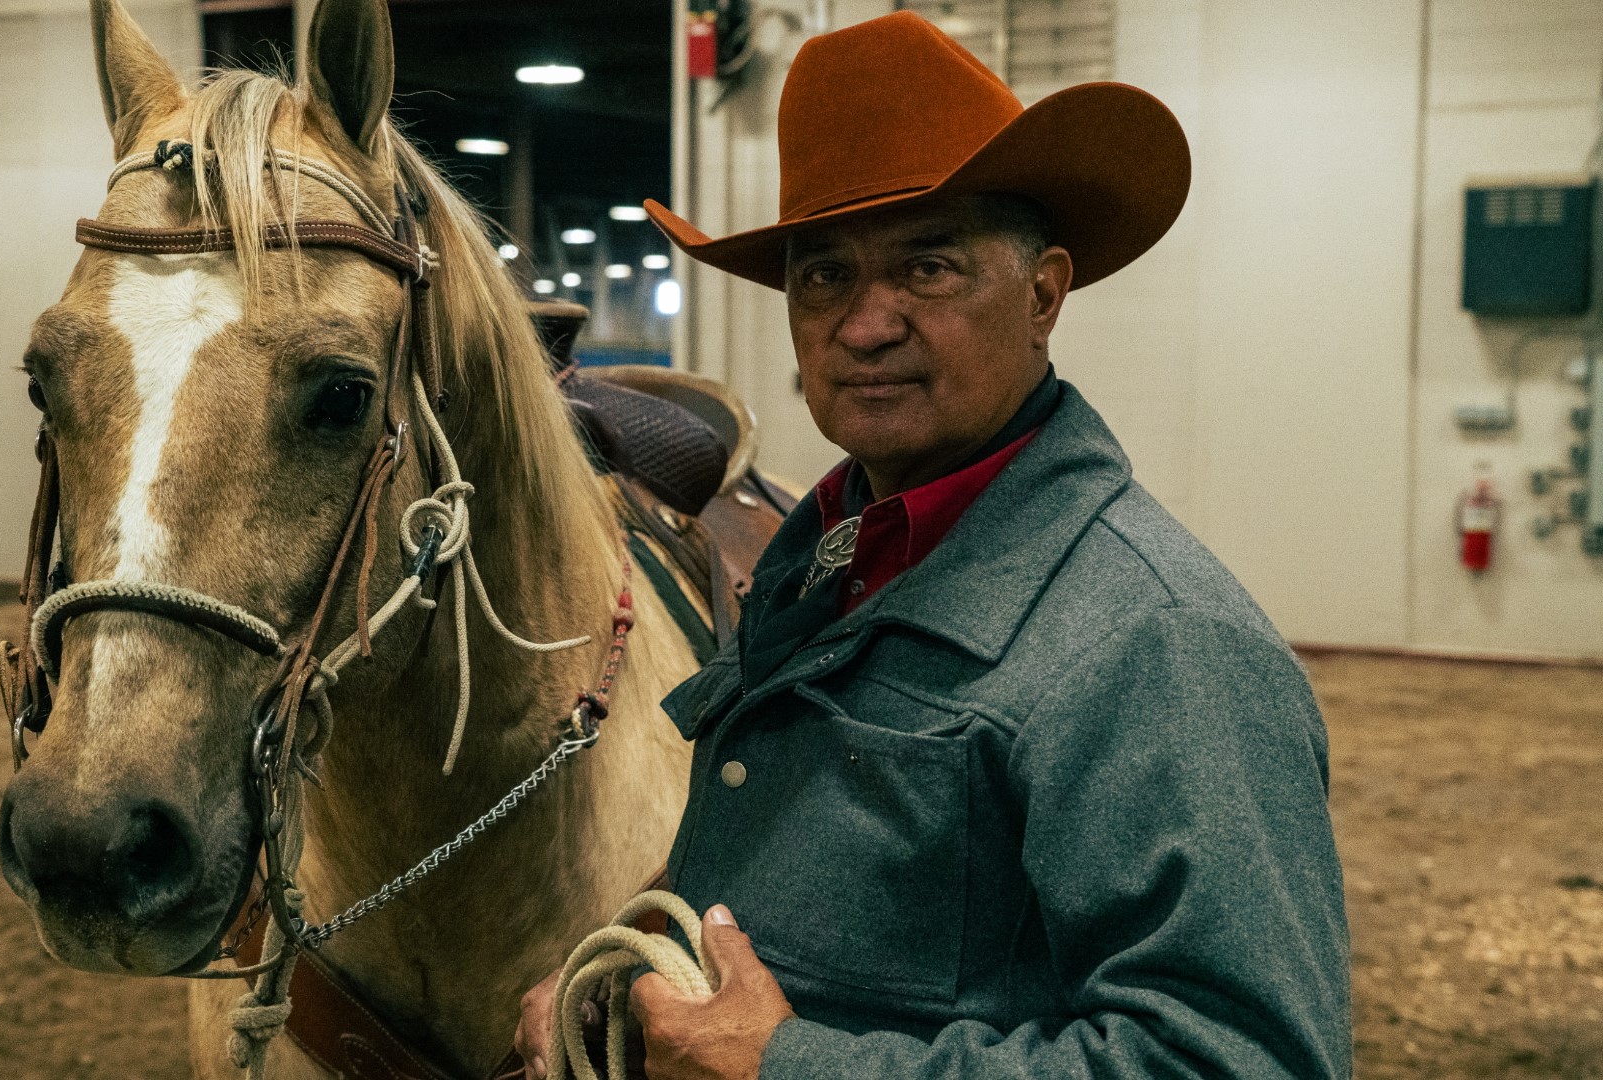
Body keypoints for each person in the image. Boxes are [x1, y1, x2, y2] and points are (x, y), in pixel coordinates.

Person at [515, 11, 1350, 1079]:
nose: (864, 325)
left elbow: (1240, 1063)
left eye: (930, 267)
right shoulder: (829, 556)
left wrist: (788, 1066)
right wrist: (621, 1000)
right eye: (824, 276)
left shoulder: (1156, 642)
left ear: (1045, 294)